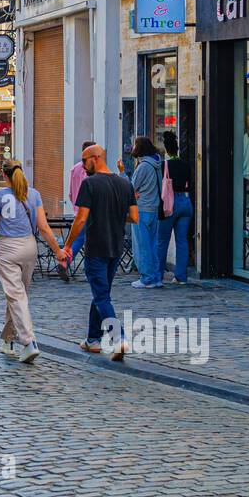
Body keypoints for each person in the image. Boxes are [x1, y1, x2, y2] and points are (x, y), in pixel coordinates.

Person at [0, 161, 67, 364]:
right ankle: (8, 340)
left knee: (16, 297)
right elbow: (43, 227)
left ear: (3, 175)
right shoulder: (33, 194)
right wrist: (58, 251)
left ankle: (29, 342)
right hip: (29, 246)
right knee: (17, 295)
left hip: (8, 247)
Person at [61, 144, 137, 361]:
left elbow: (81, 218)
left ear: (95, 158)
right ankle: (93, 339)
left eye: (85, 161)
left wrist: (68, 245)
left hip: (97, 248)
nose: (83, 166)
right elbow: (134, 217)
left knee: (101, 295)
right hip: (116, 247)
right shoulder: (124, 184)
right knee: (101, 294)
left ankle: (118, 338)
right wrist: (113, 215)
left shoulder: (90, 184)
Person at [156, 131, 194, 285]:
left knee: (162, 241)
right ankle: (181, 276)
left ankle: (157, 275)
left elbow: (159, 187)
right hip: (185, 202)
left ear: (166, 149)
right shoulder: (186, 165)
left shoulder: (163, 165)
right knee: (182, 241)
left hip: (169, 203)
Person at [129, 136, 164, 289]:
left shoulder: (143, 166)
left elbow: (131, 187)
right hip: (154, 208)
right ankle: (156, 277)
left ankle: (147, 278)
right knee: (152, 245)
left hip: (141, 209)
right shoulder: (157, 164)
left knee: (142, 245)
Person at [67, 141, 98, 256]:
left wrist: (75, 206)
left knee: (79, 238)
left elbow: (70, 193)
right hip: (89, 211)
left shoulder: (75, 168)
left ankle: (66, 259)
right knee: (87, 239)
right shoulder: (90, 170)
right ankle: (66, 260)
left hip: (77, 210)